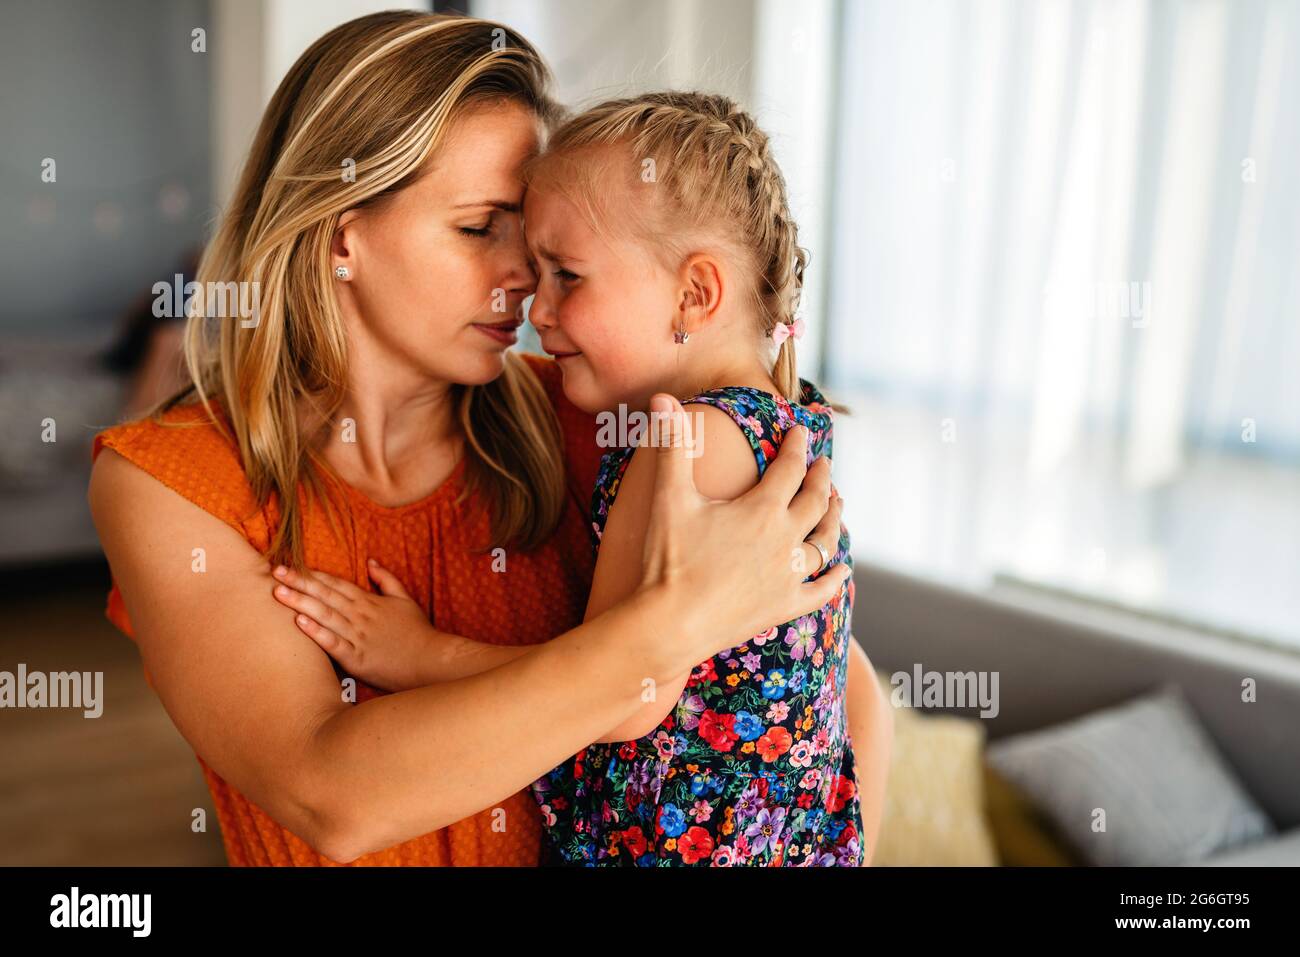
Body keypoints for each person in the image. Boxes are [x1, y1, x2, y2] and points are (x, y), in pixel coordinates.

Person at [87, 10, 849, 866]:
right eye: (480, 225)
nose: (525, 274)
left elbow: (842, 686)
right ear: (345, 234)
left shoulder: (610, 415)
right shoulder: (171, 483)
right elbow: (330, 795)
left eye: (533, 236)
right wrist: (675, 624)